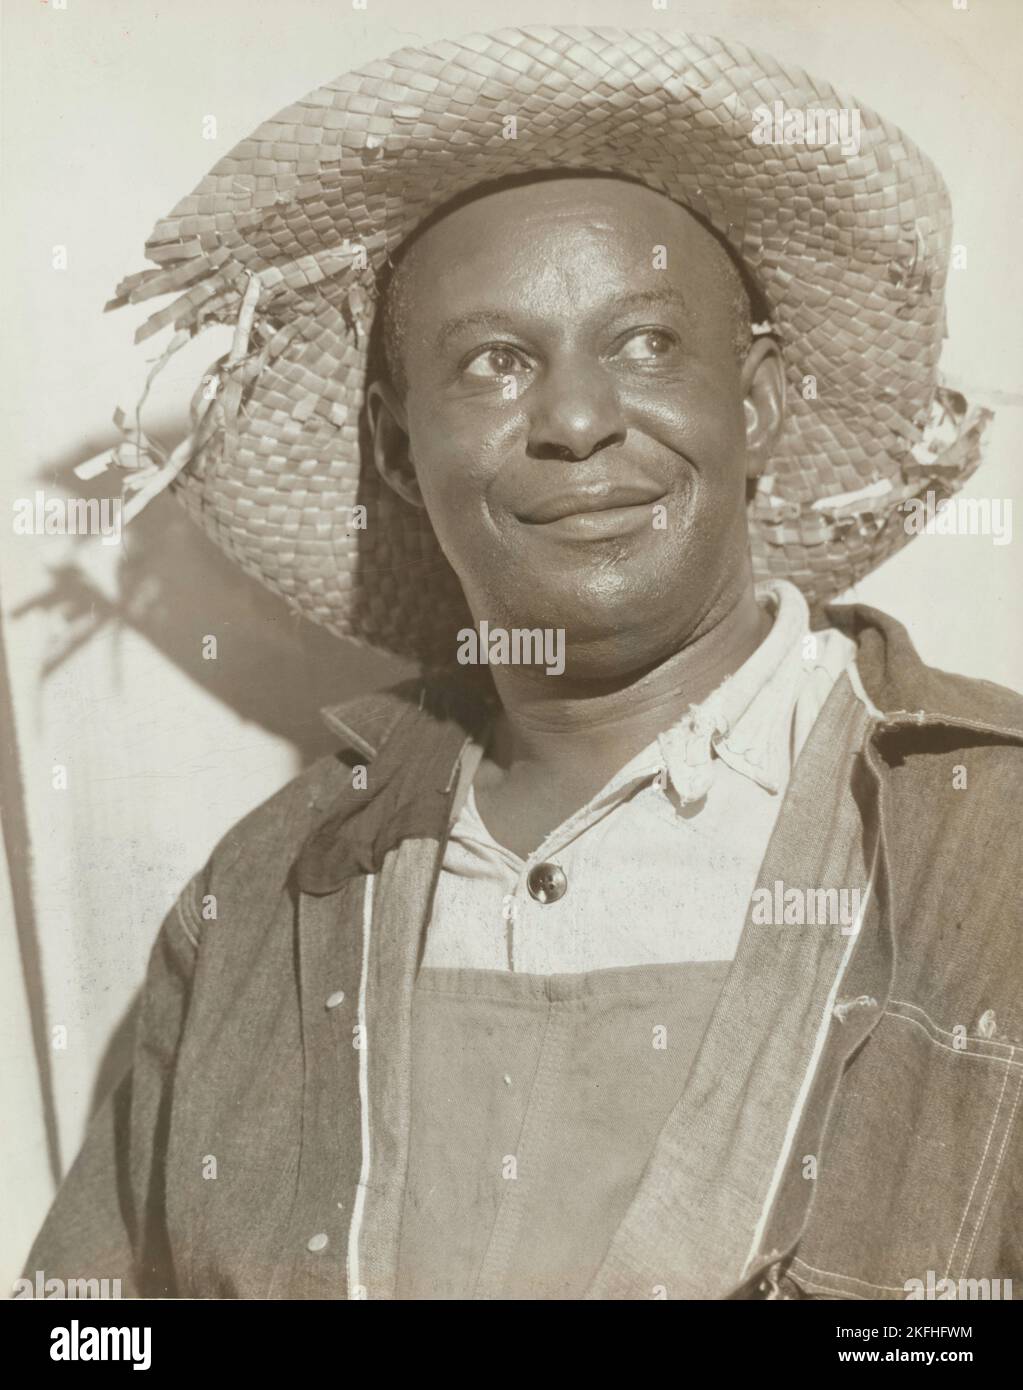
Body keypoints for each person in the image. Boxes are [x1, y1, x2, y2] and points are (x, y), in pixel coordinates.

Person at [25, 27, 1021, 1302]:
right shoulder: (266, 896)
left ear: (758, 399)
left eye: (648, 344)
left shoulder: (993, 842)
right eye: (494, 363)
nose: (575, 419)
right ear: (396, 448)